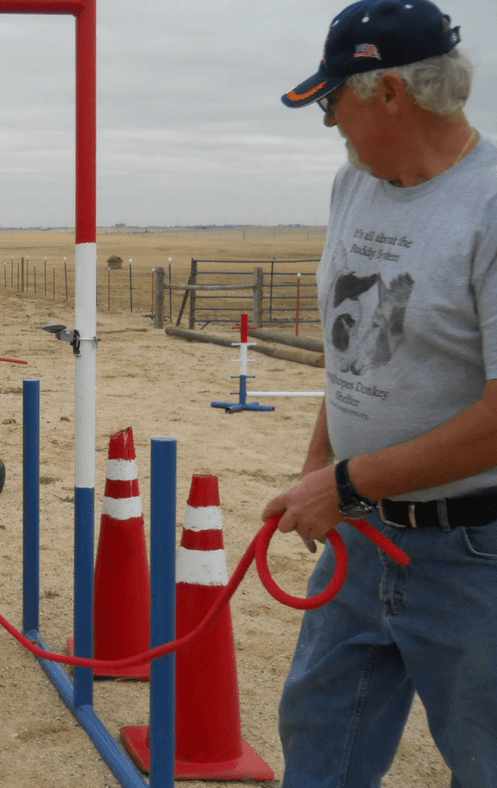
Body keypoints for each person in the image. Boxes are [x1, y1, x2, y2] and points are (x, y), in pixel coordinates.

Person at [264, 0, 497, 785]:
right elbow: (355, 348)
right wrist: (320, 468)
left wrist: (342, 484)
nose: (330, 122)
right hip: (359, 536)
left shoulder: (492, 209)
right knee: (320, 740)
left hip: (473, 554)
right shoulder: (353, 187)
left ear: (390, 93)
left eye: (334, 101)